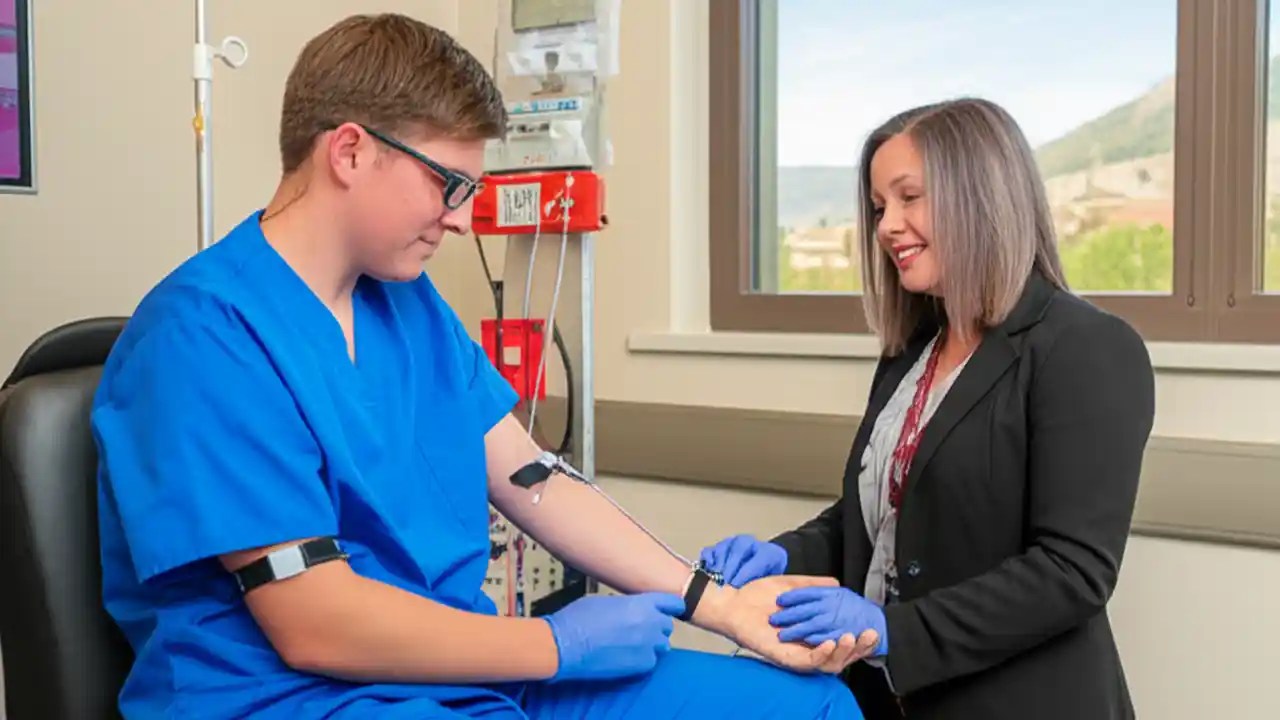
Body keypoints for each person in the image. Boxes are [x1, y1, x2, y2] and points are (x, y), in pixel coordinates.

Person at [90, 13, 875, 720]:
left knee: (812, 708)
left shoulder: (405, 302)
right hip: (296, 696)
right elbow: (312, 623)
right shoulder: (205, 335)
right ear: (351, 150)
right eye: (448, 183)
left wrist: (722, 606)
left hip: (463, 666)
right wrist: (555, 647)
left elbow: (531, 477)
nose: (463, 218)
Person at [700, 98, 1155, 719]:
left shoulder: (1086, 348)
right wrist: (784, 554)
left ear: (980, 194)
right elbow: (886, 517)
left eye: (909, 198)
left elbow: (1071, 572)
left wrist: (894, 631)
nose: (887, 226)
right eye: (880, 207)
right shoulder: (915, 351)